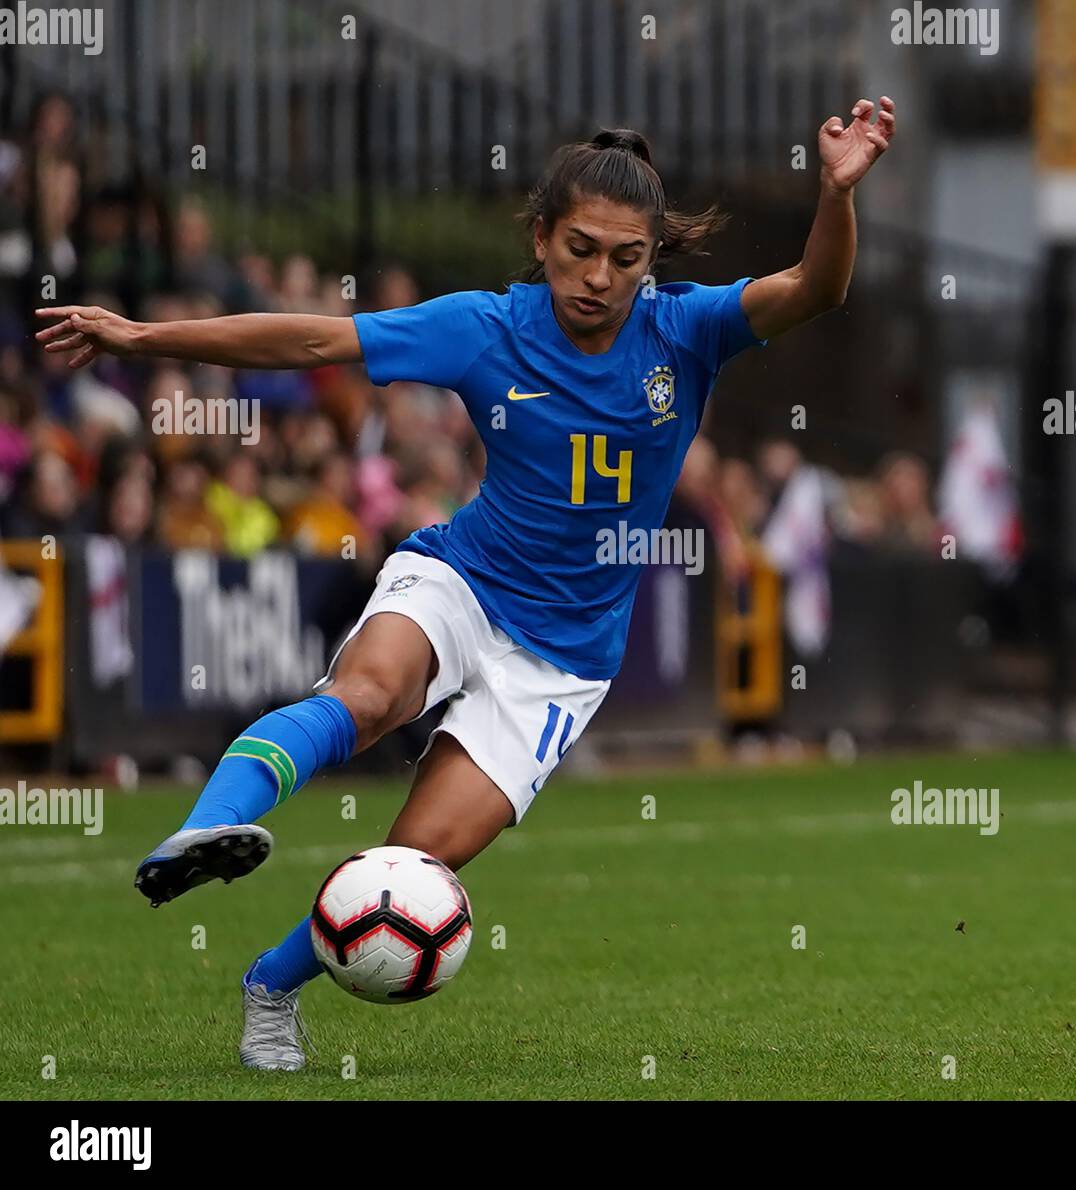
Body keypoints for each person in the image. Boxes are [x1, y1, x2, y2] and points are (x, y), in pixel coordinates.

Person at [34, 100, 896, 1071]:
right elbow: (317, 342)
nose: (599, 276)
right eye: (578, 249)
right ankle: (200, 831)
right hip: (462, 580)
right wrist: (143, 339)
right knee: (364, 696)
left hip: (562, 661)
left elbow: (816, 287)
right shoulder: (485, 328)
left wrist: (835, 191)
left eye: (625, 257)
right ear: (540, 236)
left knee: (413, 864)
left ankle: (269, 984)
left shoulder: (688, 333)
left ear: (653, 258)